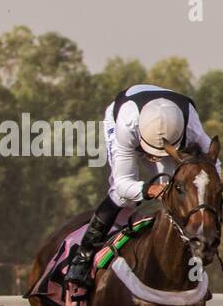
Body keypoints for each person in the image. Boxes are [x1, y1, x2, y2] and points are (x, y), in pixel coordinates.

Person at [63, 84, 214, 290]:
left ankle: (191, 264)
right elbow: (122, 184)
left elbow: (214, 165)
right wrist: (148, 190)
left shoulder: (191, 125)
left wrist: (203, 195)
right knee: (122, 198)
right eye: (151, 152)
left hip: (169, 138)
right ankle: (82, 259)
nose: (154, 158)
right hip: (128, 121)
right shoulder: (126, 125)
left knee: (182, 197)